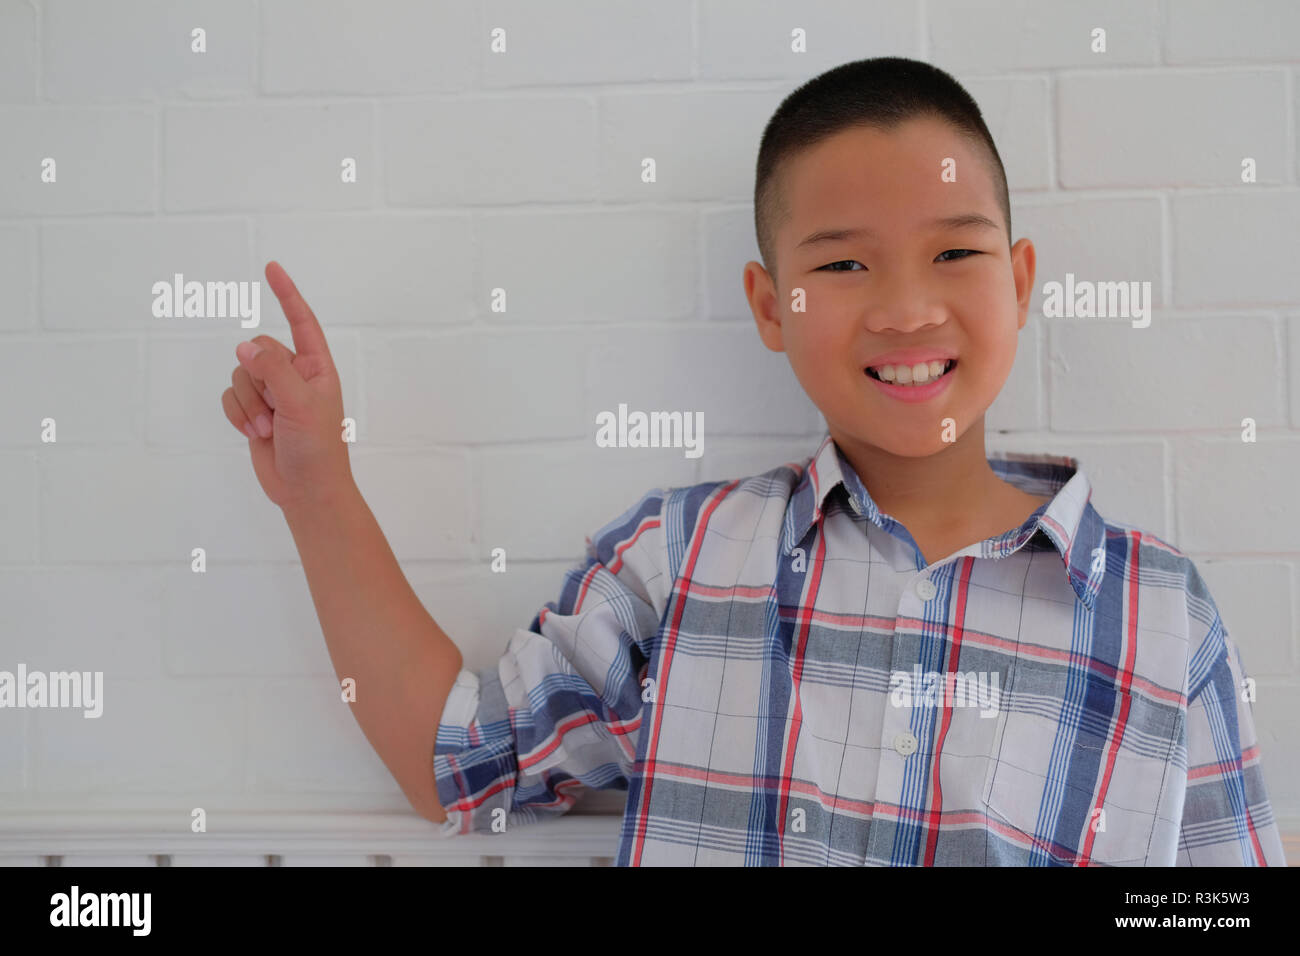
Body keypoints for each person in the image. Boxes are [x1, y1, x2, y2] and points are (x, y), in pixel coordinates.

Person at [219, 56, 1284, 866]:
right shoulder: (680, 563)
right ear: (772, 307)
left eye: (953, 252)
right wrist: (317, 486)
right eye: (846, 262)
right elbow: (452, 761)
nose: (908, 305)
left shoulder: (1160, 619)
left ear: (1017, 280)